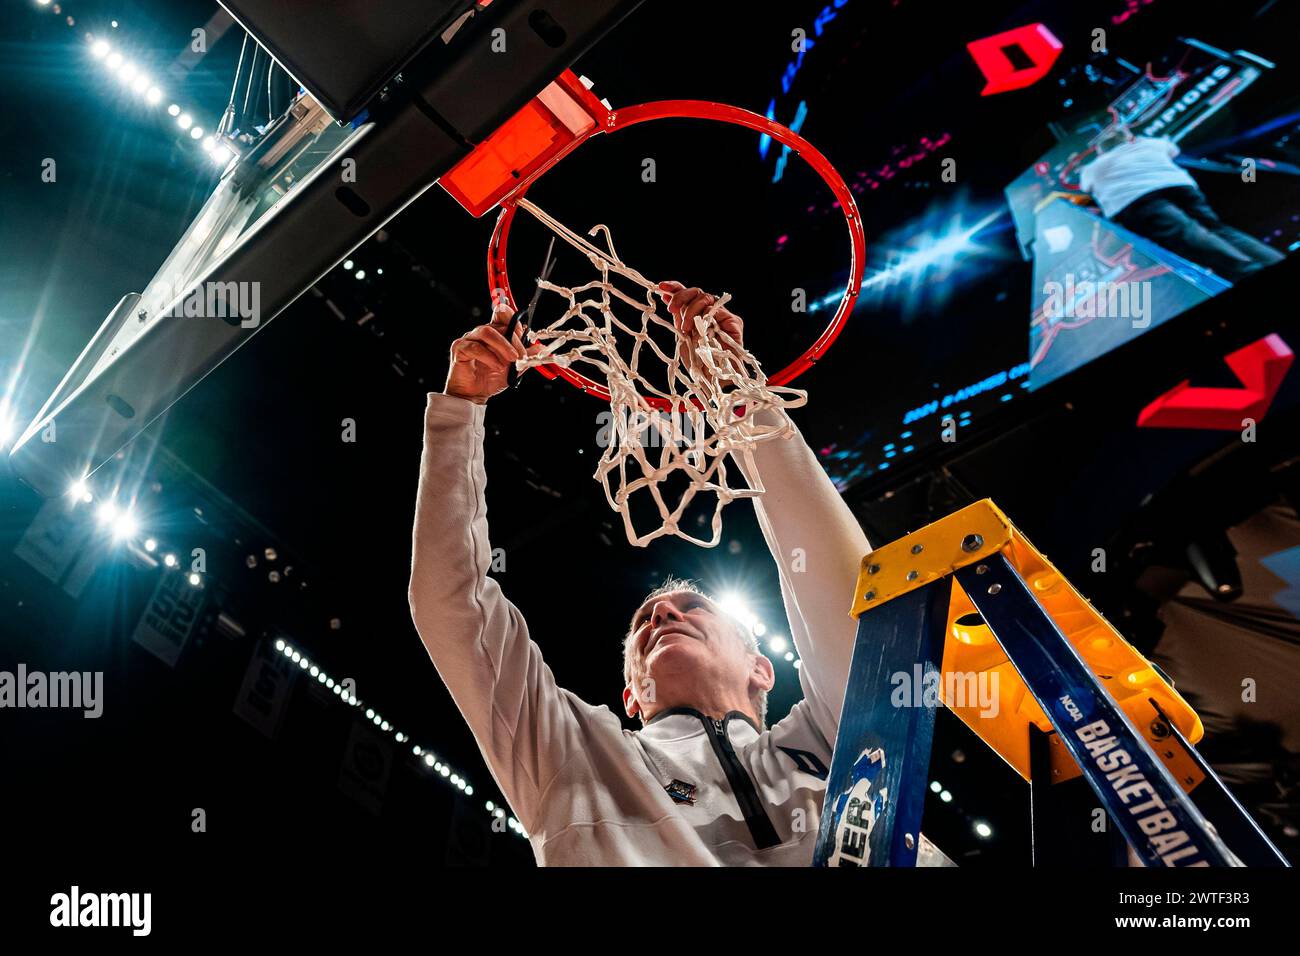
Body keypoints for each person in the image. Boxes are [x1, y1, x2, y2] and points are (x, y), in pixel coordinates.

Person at [408, 281, 945, 866]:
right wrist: (461, 410)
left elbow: (843, 584)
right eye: (645, 622)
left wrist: (735, 386)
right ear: (630, 697)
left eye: (694, 609)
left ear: (762, 669)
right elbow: (451, 605)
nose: (664, 613)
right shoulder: (575, 752)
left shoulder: (834, 736)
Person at [1078, 126, 1283, 282]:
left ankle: (1248, 272)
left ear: (1101, 151)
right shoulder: (1150, 144)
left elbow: (1085, 188)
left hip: (1136, 200)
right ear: (1127, 138)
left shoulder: (1092, 168)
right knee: (1219, 230)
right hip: (1179, 187)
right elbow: (1173, 150)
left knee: (1191, 235)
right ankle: (1271, 261)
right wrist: (1137, 142)